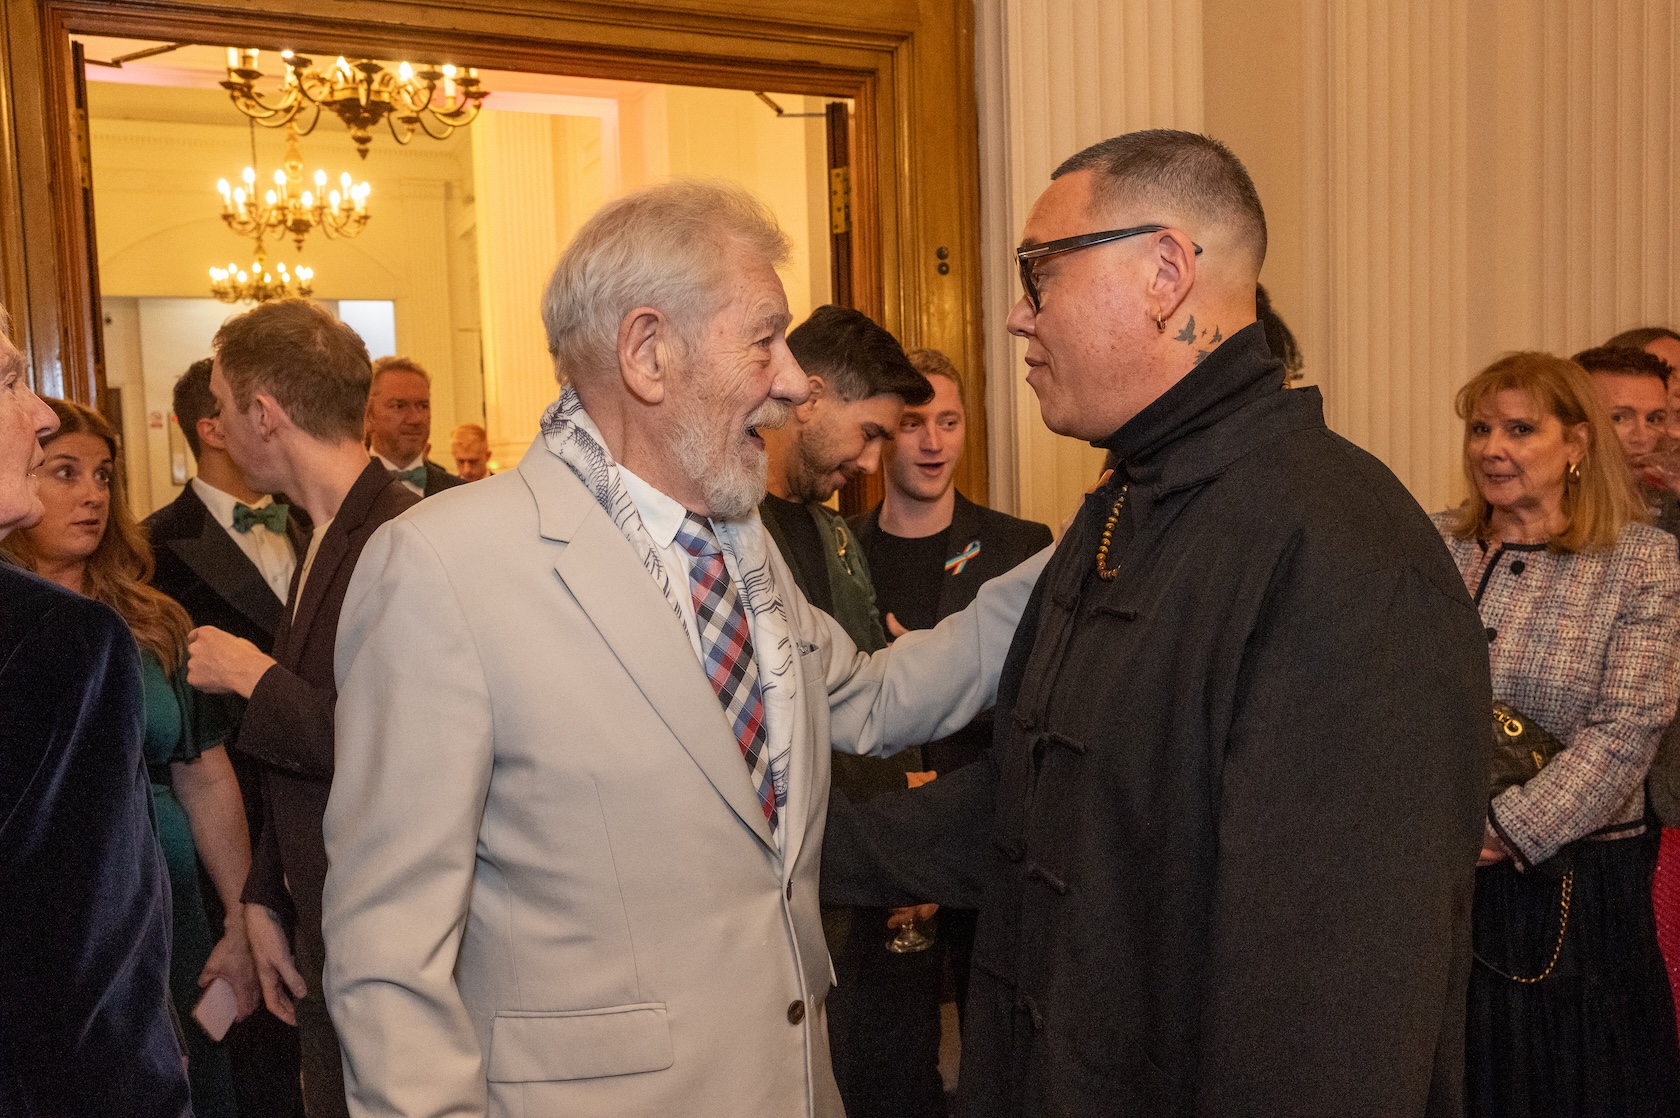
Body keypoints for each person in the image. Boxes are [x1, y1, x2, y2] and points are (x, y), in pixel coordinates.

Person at [320, 179, 1046, 1118]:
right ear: (649, 353)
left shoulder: (742, 551)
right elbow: (387, 960)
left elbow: (869, 698)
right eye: (764, 340)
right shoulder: (441, 567)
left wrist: (1063, 569)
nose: (792, 381)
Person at [821, 129, 1491, 1118]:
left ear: (1165, 271)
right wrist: (793, 842)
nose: (1016, 315)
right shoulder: (1120, 510)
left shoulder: (1344, 547)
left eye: (1038, 273)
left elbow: (1332, 1012)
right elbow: (1044, 804)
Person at [184, 299, 418, 1118]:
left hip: (391, 934)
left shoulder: (405, 536)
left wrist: (255, 678)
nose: (213, 424)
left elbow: (405, 755)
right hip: (320, 915)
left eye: (220, 404)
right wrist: (261, 895)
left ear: (264, 413)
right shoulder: (319, 529)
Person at [1436, 351, 1680, 1117]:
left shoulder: (1643, 560)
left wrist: (1504, 831)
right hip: (1439, 878)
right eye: (1481, 428)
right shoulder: (1436, 544)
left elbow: (1628, 729)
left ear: (1577, 444)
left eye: (1520, 428)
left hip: (1576, 886)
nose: (1492, 448)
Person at [2, 397, 257, 1117]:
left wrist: (243, 918)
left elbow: (206, 777)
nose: (91, 494)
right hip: (73, 922)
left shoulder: (154, 618)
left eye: (104, 476)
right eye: (64, 473)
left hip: (176, 906)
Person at [0, 320, 191, 1116]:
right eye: (9, 382)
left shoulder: (122, 619)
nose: (40, 413)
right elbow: (88, 990)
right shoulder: (53, 638)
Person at [760, 304, 944, 1118]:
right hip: (776, 916)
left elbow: (864, 690)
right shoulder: (723, 531)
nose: (874, 461)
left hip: (863, 896)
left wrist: (908, 840)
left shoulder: (831, 537)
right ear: (811, 395)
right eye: (868, 432)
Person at [849, 346, 1052, 1032]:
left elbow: (1044, 698)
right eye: (913, 424)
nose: (934, 442)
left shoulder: (1021, 547)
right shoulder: (844, 551)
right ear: (881, 434)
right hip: (881, 841)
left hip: (989, 835)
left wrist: (939, 674)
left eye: (950, 421)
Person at [145, 357, 308, 1118]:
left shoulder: (311, 524)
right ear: (213, 426)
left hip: (325, 808)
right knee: (255, 1054)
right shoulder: (152, 547)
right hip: (234, 821)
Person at [1575, 345, 1680, 534]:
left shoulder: (1669, 503)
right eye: (1619, 418)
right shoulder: (1536, 510)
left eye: (1653, 419)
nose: (1641, 437)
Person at [365, 355, 464, 497]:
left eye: (423, 406)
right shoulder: (343, 490)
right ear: (368, 415)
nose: (416, 419)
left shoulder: (458, 494)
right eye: (399, 406)